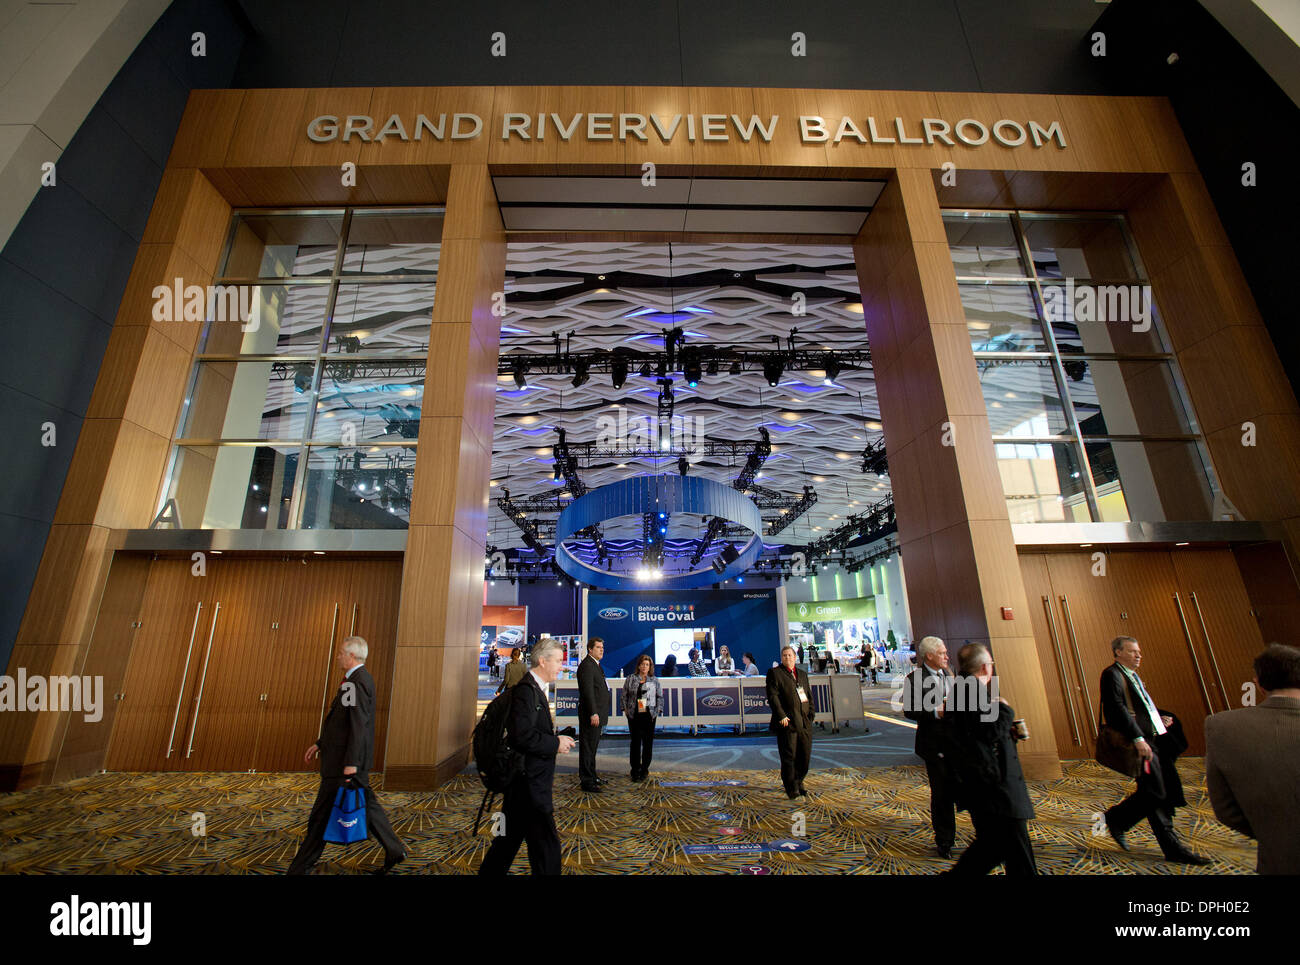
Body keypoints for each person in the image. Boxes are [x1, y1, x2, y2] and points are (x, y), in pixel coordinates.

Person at [287, 636, 405, 875]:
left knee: (320, 818)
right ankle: (394, 849)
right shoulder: (354, 680)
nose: (338, 656)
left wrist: (351, 762)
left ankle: (300, 867)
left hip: (345, 763)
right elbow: (342, 722)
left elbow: (357, 723)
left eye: (341, 652)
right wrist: (321, 743)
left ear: (352, 656)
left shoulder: (356, 682)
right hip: (347, 760)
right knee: (367, 806)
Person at [1099, 636, 1208, 865]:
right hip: (1142, 742)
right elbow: (1116, 709)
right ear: (1118, 653)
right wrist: (1138, 737)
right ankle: (1115, 819)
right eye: (1132, 652)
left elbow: (1141, 706)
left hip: (1152, 739)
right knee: (1157, 792)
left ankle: (1170, 847)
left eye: (1139, 651)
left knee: (1157, 792)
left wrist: (1158, 717)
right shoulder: (1112, 675)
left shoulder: (1133, 676)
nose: (1138, 655)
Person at [479, 637, 576, 875]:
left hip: (524, 783)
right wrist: (555, 743)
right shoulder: (526, 691)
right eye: (558, 661)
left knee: (507, 841)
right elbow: (522, 736)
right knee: (546, 846)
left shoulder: (533, 689)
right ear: (542, 661)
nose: (561, 666)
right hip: (529, 783)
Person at [1204, 643, 1300, 874]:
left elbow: (1227, 810)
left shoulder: (1222, 727)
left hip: (1278, 861)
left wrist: (1276, 833)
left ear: (1257, 682)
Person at [946, 642, 1037, 875]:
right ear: (986, 668)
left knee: (991, 848)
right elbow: (986, 732)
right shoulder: (969, 690)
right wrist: (1005, 710)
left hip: (987, 786)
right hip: (994, 788)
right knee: (1013, 852)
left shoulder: (965, 688)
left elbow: (980, 733)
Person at [901, 635, 958, 858]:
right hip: (934, 744)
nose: (946, 656)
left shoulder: (950, 673)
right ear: (930, 656)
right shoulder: (914, 679)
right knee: (942, 794)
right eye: (942, 653)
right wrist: (936, 711)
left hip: (957, 743)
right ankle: (945, 841)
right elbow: (910, 710)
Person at [766, 644, 815, 799]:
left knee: (804, 755)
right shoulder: (775, 673)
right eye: (784, 655)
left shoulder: (802, 674)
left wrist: (811, 714)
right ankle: (791, 786)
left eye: (789, 655)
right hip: (787, 722)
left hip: (804, 722)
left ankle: (799, 780)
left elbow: (808, 695)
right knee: (789, 756)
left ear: (795, 657)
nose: (787, 658)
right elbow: (772, 696)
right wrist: (781, 715)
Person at [624, 654, 662, 782]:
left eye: (647, 664)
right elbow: (624, 695)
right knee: (635, 743)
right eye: (643, 664)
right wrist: (625, 710)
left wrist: (656, 712)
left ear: (650, 666)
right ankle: (635, 770)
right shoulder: (631, 678)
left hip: (649, 716)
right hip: (634, 715)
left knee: (647, 743)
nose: (644, 667)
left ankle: (644, 769)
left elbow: (659, 698)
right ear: (639, 665)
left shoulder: (654, 680)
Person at [577, 637, 608, 793]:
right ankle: (587, 781)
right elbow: (588, 692)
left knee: (592, 747)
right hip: (591, 715)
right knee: (588, 747)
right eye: (598, 647)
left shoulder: (595, 665)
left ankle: (592, 775)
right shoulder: (587, 666)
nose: (601, 649)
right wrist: (593, 712)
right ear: (590, 649)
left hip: (597, 713)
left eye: (602, 647)